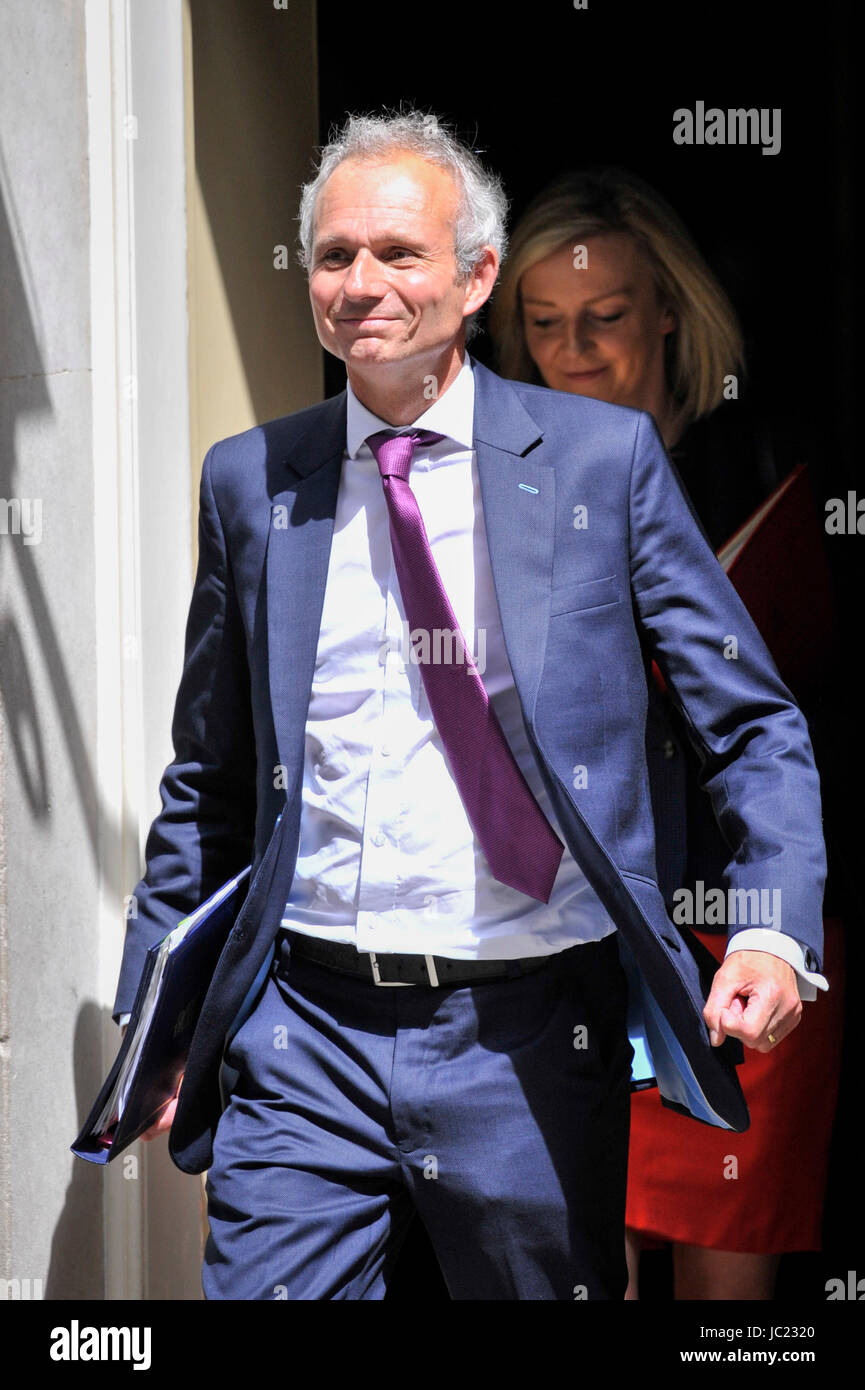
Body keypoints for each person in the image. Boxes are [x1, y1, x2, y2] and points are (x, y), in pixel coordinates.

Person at [112, 114, 827, 1301]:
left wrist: (769, 925)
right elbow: (212, 782)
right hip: (303, 1038)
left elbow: (749, 720)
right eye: (334, 256)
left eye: (399, 253)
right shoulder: (251, 480)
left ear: (475, 275)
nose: (359, 285)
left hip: (530, 1038)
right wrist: (158, 1014)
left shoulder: (601, 462)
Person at [489, 166, 844, 1300]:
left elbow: (788, 719)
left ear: (667, 314)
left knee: (726, 1291)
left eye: (602, 318)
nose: (574, 349)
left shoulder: (768, 465)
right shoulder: (504, 476)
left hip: (747, 926)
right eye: (543, 326)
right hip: (579, 932)